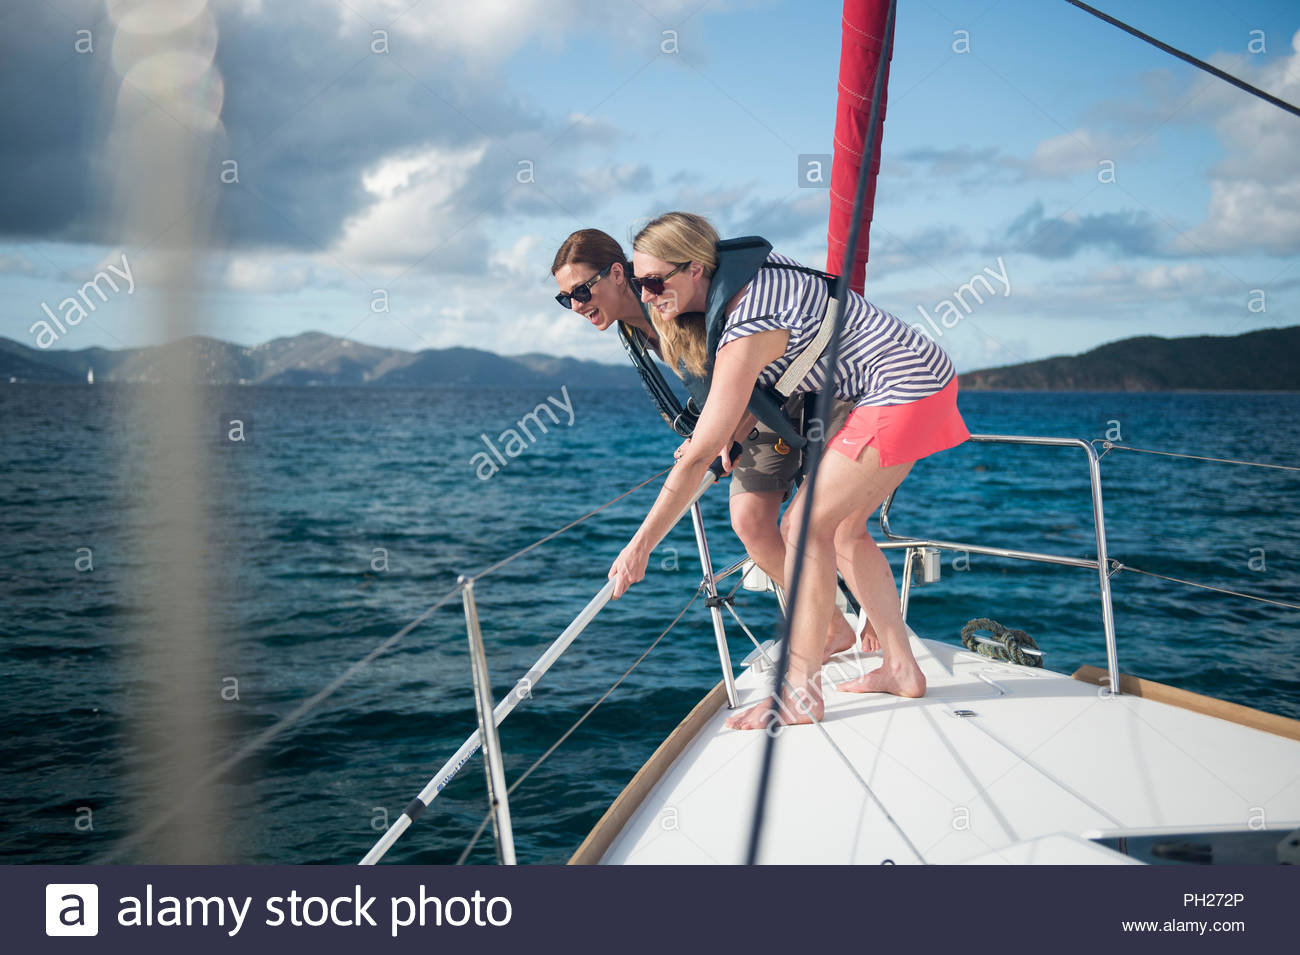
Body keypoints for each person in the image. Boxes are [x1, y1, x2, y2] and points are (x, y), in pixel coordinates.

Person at [606, 212, 970, 729]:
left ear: (695, 269)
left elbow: (703, 447)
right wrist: (723, 434)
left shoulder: (748, 322)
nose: (645, 295)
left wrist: (640, 545)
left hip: (901, 390)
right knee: (843, 529)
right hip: (918, 377)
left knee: (800, 527)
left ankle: (800, 693)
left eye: (654, 281)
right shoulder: (750, 280)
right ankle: (900, 666)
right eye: (639, 282)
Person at [552, 229, 869, 662]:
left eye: (582, 290)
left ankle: (874, 625)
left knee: (832, 521)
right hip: (752, 410)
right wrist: (713, 435)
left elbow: (758, 372)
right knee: (750, 523)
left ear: (618, 274)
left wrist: (720, 438)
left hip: (805, 388)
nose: (576, 304)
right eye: (565, 297)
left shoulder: (676, 303)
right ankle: (832, 625)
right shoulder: (632, 329)